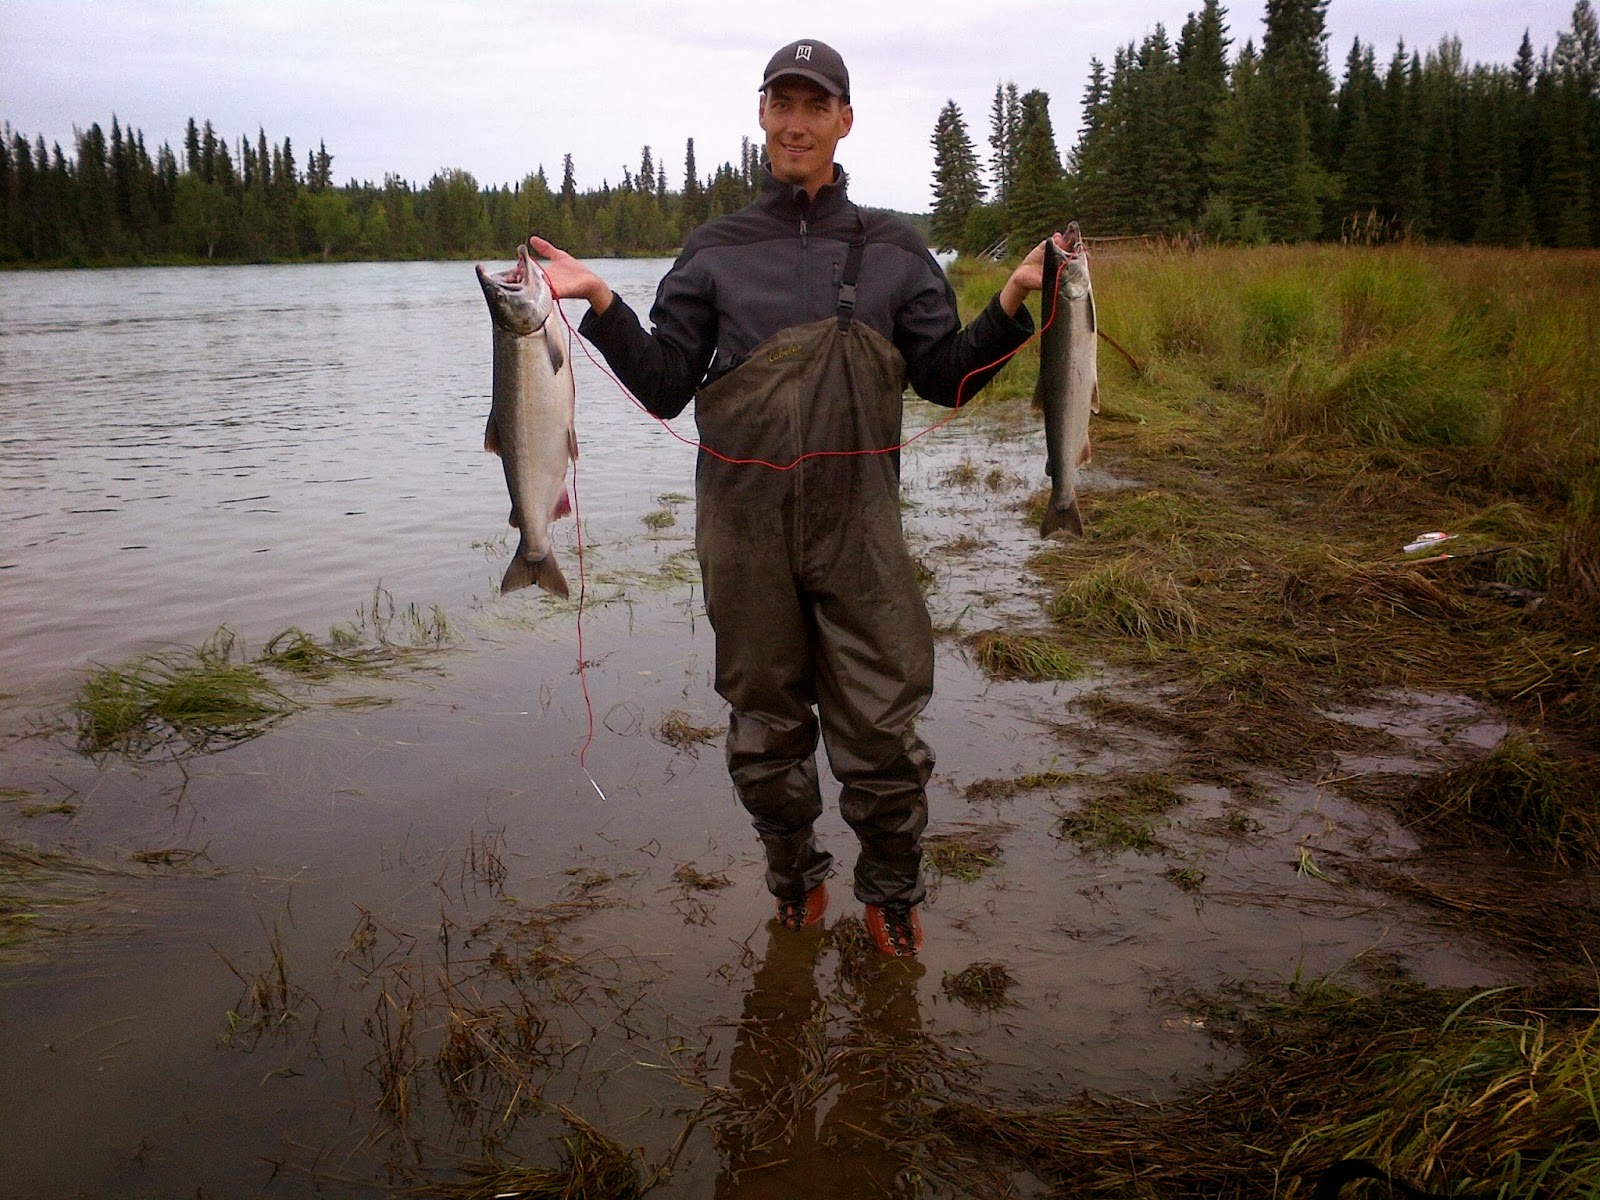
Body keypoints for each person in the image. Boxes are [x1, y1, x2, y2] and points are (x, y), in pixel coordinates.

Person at [531, 38, 1062, 958]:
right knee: (764, 730)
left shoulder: (896, 249)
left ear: (844, 121)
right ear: (763, 117)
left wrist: (1014, 300)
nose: (797, 122)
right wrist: (602, 303)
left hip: (860, 529)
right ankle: (795, 883)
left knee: (883, 736)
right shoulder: (714, 251)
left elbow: (943, 378)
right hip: (743, 532)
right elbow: (663, 385)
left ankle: (891, 896)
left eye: (816, 105)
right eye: (783, 103)